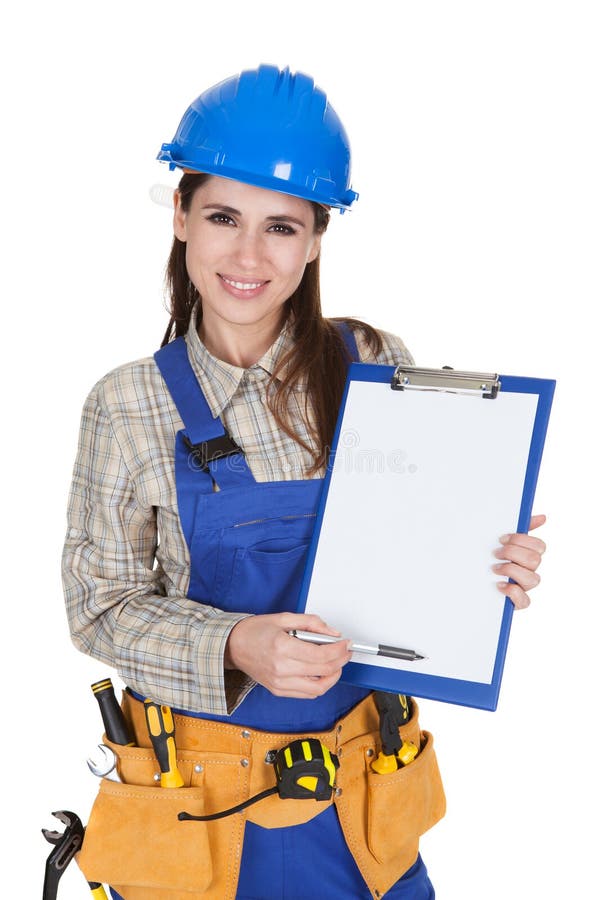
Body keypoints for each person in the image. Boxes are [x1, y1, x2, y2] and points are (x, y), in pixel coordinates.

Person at [62, 65, 546, 900]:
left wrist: (485, 564)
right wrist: (237, 646)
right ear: (181, 216)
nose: (248, 255)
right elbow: (96, 604)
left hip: (363, 811)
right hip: (196, 817)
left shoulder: (375, 365)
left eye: (281, 227)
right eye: (222, 217)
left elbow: (416, 549)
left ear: (317, 238)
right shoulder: (128, 404)